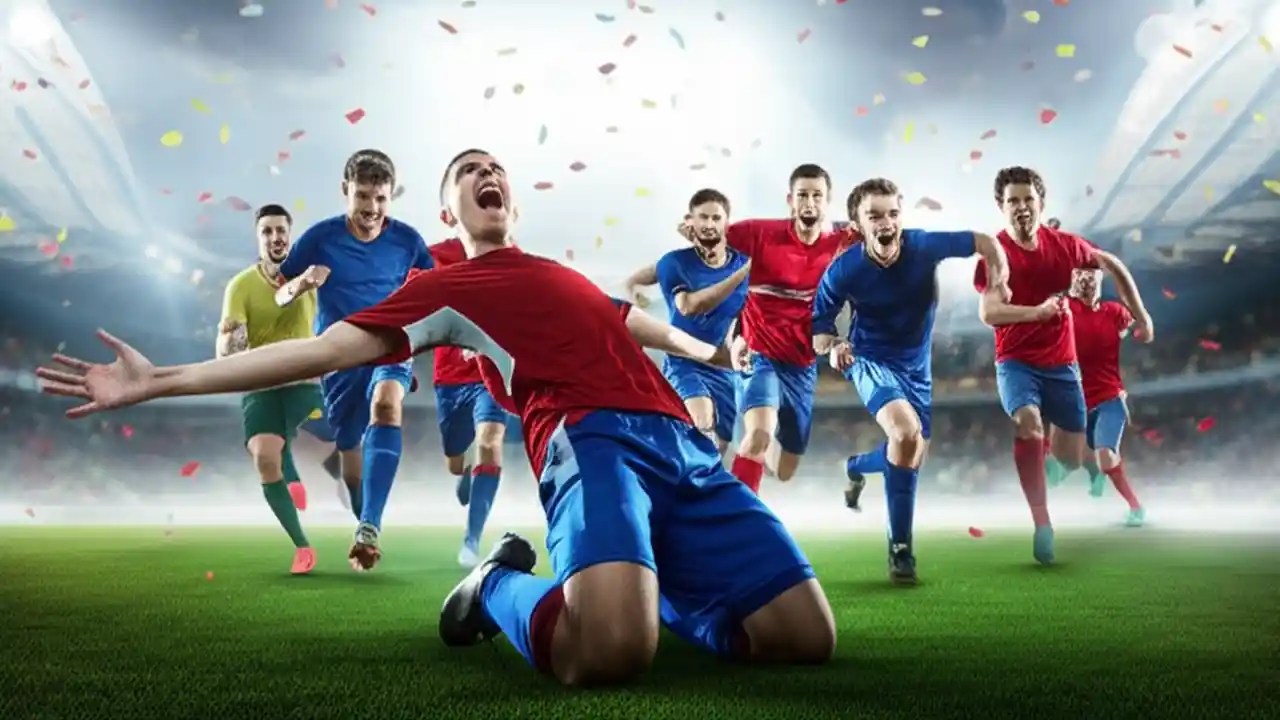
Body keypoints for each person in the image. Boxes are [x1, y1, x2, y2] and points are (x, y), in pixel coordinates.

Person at [37, 148, 836, 688]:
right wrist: (160, 381)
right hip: (590, 442)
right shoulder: (446, 288)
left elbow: (627, 322)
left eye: (495, 168)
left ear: (512, 198)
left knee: (807, 639)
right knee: (611, 654)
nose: (487, 173)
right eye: (468, 171)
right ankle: (496, 585)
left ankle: (645, 576)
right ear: (450, 210)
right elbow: (321, 353)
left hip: (682, 445)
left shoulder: (559, 274)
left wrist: (697, 350)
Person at [812, 178, 1010, 585]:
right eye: (875, 216)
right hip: (869, 360)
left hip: (917, 370)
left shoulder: (922, 246)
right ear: (859, 223)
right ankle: (900, 550)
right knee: (905, 433)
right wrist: (833, 346)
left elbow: (986, 242)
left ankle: (855, 467)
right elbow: (818, 328)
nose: (886, 223)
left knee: (909, 453)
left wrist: (999, 280)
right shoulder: (844, 270)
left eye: (892, 214)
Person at [624, 164, 854, 493]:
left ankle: (740, 457)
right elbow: (695, 249)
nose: (809, 202)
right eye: (802, 194)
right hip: (757, 354)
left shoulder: (843, 239)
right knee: (757, 433)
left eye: (817, 195)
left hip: (801, 365)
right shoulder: (758, 234)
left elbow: (881, 239)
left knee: (785, 468)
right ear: (790, 199)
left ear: (828, 201)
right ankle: (739, 515)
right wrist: (637, 279)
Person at [974, 166, 1153, 565]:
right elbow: (989, 312)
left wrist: (1141, 316)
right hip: (1016, 362)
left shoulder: (1068, 247)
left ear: (1041, 203)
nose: (1021, 207)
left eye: (1027, 199)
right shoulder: (995, 253)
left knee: (1070, 457)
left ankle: (1072, 468)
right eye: (1012, 201)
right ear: (1001, 207)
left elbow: (1112, 264)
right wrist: (1036, 313)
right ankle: (1042, 523)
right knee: (1027, 421)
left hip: (1062, 366)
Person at [274, 149, 434, 570]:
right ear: (346, 191)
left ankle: (369, 526)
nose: (373, 208)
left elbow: (436, 288)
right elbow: (279, 290)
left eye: (381, 199)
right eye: (364, 196)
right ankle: (361, 508)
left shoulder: (408, 241)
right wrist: (303, 283)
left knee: (386, 405)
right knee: (349, 447)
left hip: (389, 347)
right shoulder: (321, 238)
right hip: (339, 357)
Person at [217, 204, 320, 574]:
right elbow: (226, 345)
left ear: (289, 236)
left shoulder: (313, 279)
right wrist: (231, 345)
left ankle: (363, 516)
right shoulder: (241, 286)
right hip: (261, 384)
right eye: (267, 231)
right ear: (258, 238)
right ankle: (302, 546)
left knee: (331, 437)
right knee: (264, 456)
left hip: (306, 382)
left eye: (281, 230)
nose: (275, 237)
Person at [428, 233, 511, 569]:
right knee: (454, 459)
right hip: (448, 379)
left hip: (489, 374)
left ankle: (471, 539)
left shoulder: (509, 261)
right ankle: (465, 473)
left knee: (490, 442)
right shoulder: (432, 256)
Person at [654, 188, 750, 454]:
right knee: (701, 421)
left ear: (726, 223)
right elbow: (687, 306)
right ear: (690, 221)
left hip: (722, 364)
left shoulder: (743, 263)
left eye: (716, 218)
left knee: (717, 448)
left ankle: (698, 484)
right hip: (684, 360)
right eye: (703, 218)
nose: (709, 224)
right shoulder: (675, 262)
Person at [1050, 269, 1145, 526]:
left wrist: (1143, 324)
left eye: (1091, 276)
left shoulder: (1114, 312)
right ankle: (1093, 475)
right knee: (1075, 454)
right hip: (1078, 402)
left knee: (1103, 455)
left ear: (1100, 281)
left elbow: (1136, 323)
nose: (1085, 281)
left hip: (1109, 398)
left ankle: (1136, 508)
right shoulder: (1065, 307)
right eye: (1080, 276)